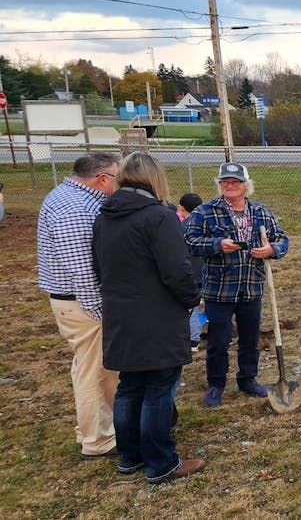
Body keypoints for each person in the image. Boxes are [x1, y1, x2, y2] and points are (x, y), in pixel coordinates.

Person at [92, 152, 206, 484]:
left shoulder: (104, 217)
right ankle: (161, 462)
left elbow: (99, 269)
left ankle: (130, 455)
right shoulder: (159, 217)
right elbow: (176, 270)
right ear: (155, 178)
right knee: (158, 388)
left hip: (120, 316)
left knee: (130, 385)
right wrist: (191, 299)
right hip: (157, 317)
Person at [36, 152, 121, 459]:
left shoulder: (71, 197)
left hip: (76, 303)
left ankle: (96, 428)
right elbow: (82, 270)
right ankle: (98, 440)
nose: (119, 183)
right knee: (95, 373)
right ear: (102, 179)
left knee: (90, 369)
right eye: (117, 177)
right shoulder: (74, 209)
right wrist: (101, 311)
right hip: (82, 304)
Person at [185, 163, 289, 408]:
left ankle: (247, 379)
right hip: (219, 289)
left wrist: (272, 249)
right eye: (225, 182)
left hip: (251, 287)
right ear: (219, 185)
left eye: (236, 182)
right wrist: (217, 244)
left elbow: (282, 239)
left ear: (246, 185)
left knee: (250, 339)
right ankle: (216, 385)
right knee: (218, 341)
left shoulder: (262, 212)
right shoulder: (204, 212)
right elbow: (189, 241)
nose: (230, 186)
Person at [178, 192, 207, 351]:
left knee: (192, 307)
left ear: (182, 209)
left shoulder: (181, 228)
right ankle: (225, 333)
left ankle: (193, 340)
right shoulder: (207, 223)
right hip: (208, 272)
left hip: (192, 274)